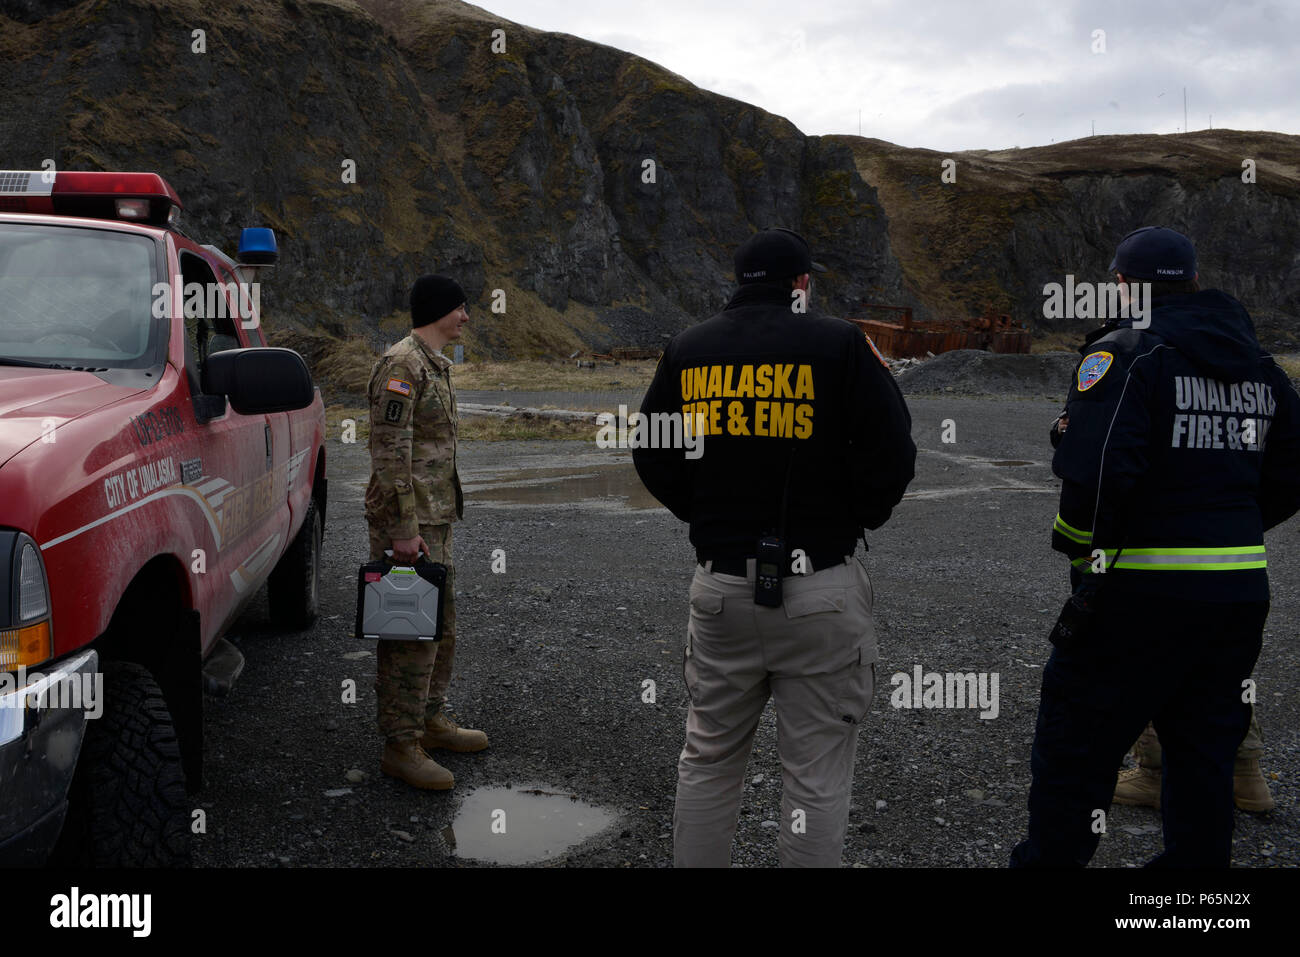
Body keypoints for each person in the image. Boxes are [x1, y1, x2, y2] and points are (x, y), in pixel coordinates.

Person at [1011, 226, 1300, 867]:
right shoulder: (1262, 367)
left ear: (1124, 285)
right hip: (1236, 595)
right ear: (1194, 279)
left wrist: (1083, 555)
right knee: (1203, 752)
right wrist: (1227, 529)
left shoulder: (1126, 355)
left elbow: (1097, 468)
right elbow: (1291, 473)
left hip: (1136, 594)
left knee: (1074, 750)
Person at [634, 227, 916, 867]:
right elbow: (894, 453)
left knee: (708, 759)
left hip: (721, 587)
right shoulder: (842, 343)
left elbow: (651, 452)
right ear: (802, 283)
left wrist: (704, 515)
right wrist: (855, 516)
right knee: (814, 775)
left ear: (737, 280)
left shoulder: (688, 349)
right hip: (820, 585)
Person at [1050, 318, 1275, 815]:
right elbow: (1288, 462)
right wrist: (1243, 519)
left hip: (1149, 564)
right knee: (1211, 681)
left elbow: (1101, 465)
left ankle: (1152, 772)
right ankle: (1245, 772)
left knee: (1141, 670)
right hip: (1233, 568)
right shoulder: (1248, 360)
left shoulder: (1135, 356)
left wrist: (1080, 544)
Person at [365, 274, 488, 790]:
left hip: (434, 519)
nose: (466, 316)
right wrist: (401, 529)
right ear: (438, 310)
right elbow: (390, 452)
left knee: (442, 626)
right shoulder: (403, 365)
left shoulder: (434, 364)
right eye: (460, 308)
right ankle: (400, 744)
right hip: (409, 523)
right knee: (408, 632)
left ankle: (430, 720)